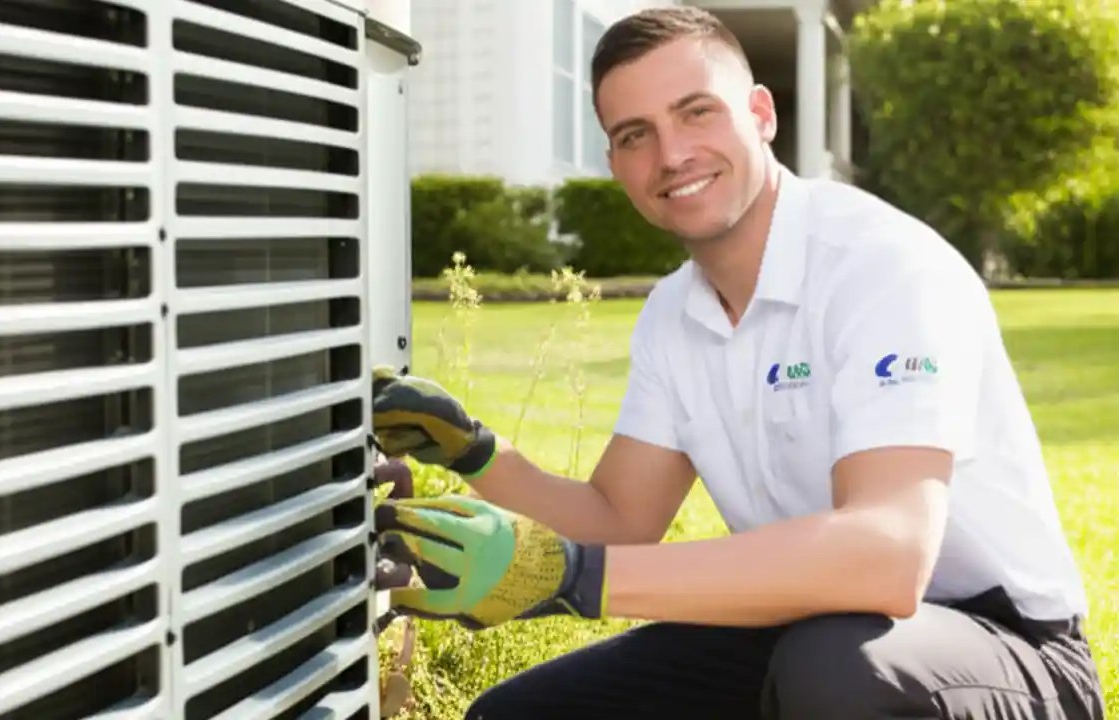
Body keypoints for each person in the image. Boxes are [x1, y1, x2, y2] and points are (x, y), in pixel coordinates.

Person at [370, 6, 1105, 719]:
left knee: (838, 674)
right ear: (617, 163)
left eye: (697, 112)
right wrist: (474, 452)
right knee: (524, 714)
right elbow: (620, 520)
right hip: (807, 624)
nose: (671, 155)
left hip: (1005, 650)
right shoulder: (673, 314)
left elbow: (888, 554)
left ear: (760, 113)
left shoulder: (881, 266)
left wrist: (570, 578)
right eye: (636, 134)